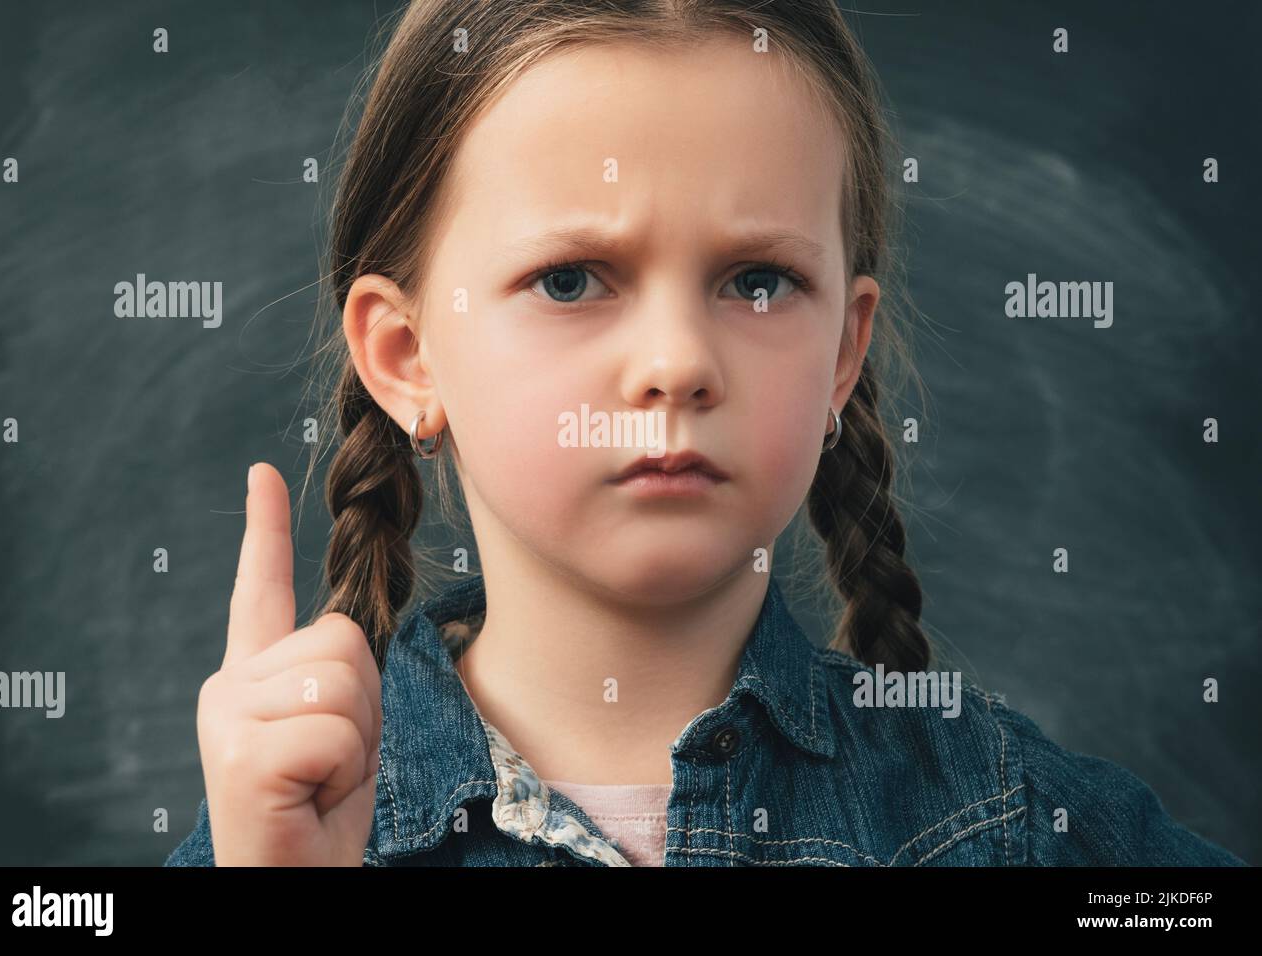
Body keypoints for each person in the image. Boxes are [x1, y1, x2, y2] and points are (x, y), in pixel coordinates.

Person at [164, 0, 1246, 867]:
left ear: (841, 353)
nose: (678, 361)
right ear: (407, 356)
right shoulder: (274, 839)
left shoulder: (1021, 824)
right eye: (572, 278)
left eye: (758, 280)